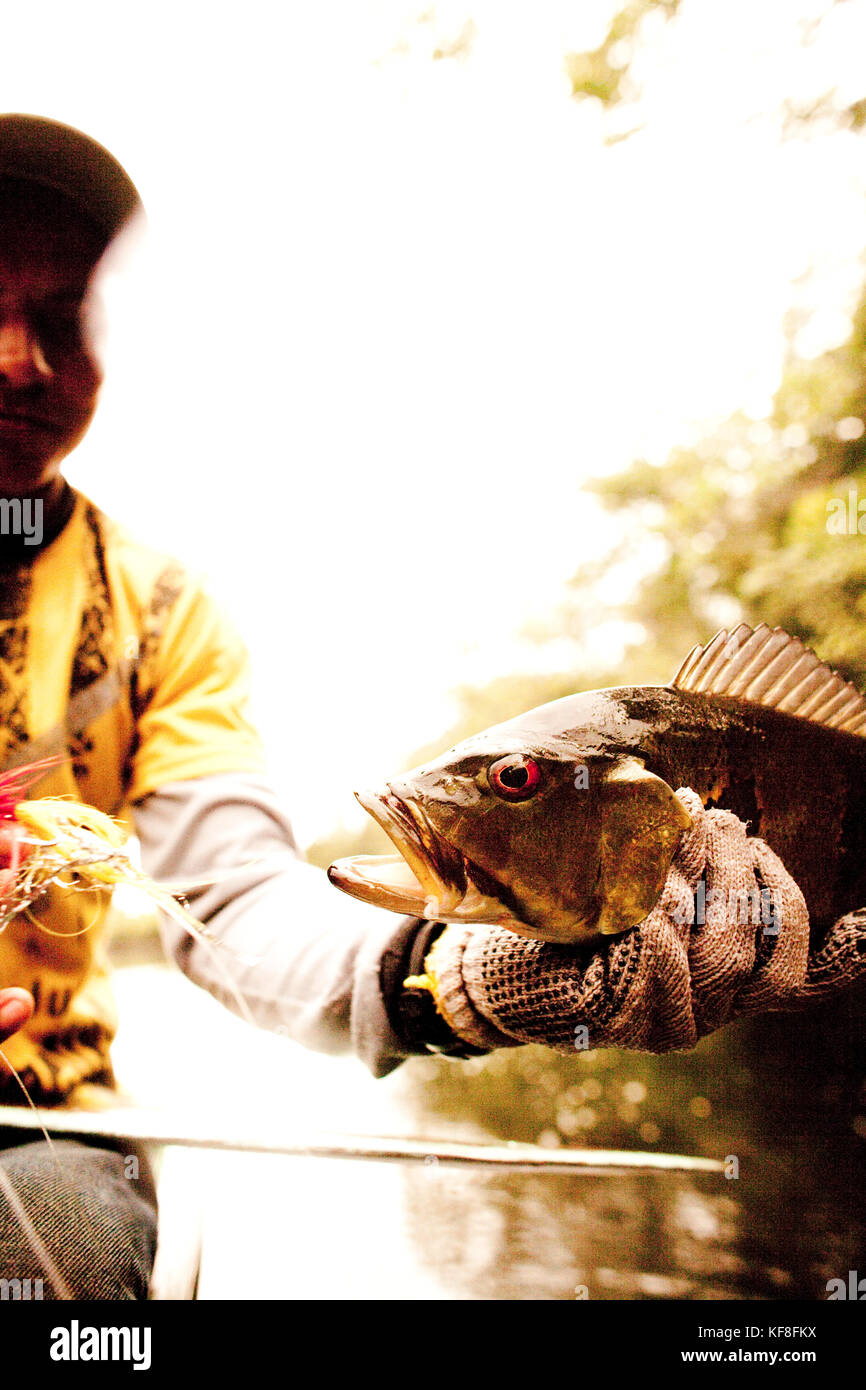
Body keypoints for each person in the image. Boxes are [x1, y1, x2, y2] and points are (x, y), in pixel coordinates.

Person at [0, 114, 864, 1300]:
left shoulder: (157, 608)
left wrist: (450, 975)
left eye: (62, 321)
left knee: (59, 1278)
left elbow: (229, 905)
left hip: (35, 1116)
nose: (19, 360)